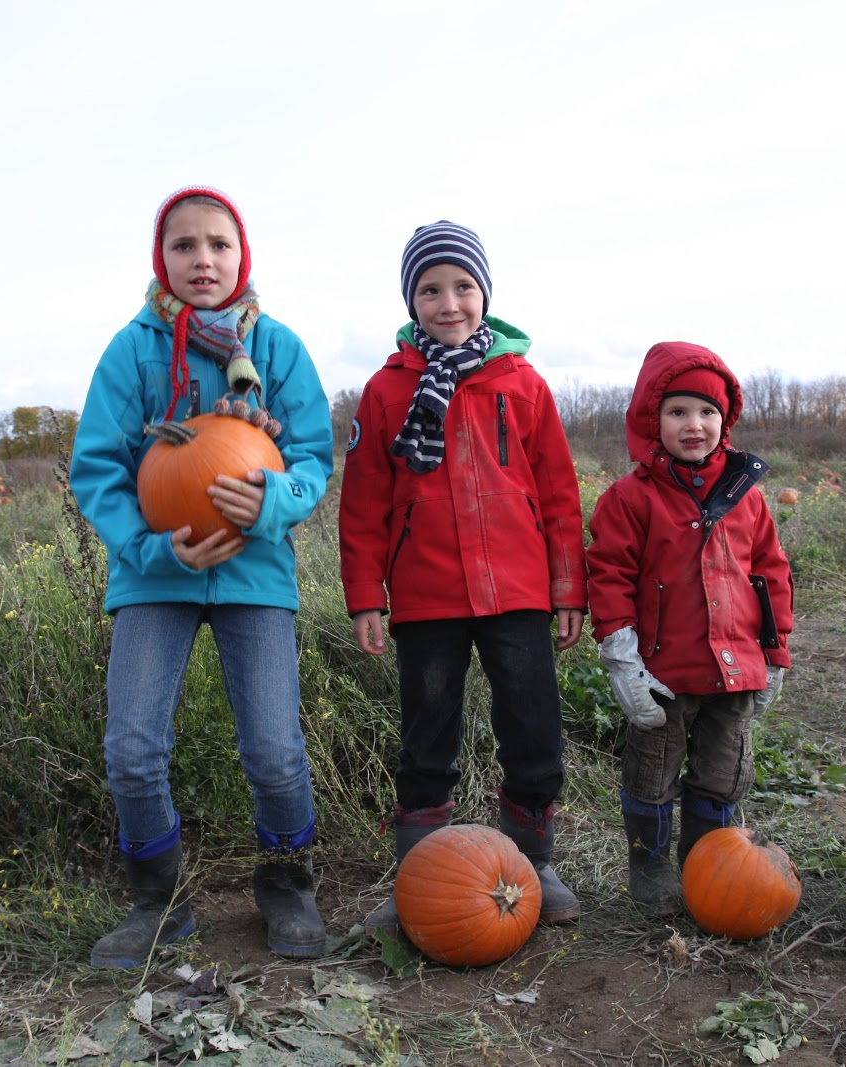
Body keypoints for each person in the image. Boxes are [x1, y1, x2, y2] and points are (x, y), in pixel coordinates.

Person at [69, 185, 334, 968]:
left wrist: (270, 502)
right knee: (132, 746)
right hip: (157, 575)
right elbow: (98, 471)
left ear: (240, 253)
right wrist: (155, 550)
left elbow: (313, 456)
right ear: (163, 260)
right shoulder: (132, 351)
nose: (203, 259)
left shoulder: (277, 347)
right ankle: (159, 899)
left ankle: (288, 881)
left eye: (218, 244)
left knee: (275, 748)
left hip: (256, 575)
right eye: (184, 246)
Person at [338, 220, 588, 933]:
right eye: (430, 290)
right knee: (427, 739)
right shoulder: (387, 391)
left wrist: (568, 588)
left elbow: (560, 494)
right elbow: (363, 508)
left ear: (485, 293)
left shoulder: (523, 382)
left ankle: (530, 862)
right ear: (411, 302)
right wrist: (365, 597)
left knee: (533, 728)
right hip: (426, 596)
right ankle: (421, 877)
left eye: (462, 287)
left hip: (517, 592)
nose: (448, 303)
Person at [585, 341, 793, 915]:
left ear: (725, 422)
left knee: (723, 776)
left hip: (737, 669)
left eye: (707, 412)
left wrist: (775, 652)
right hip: (663, 671)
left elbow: (771, 574)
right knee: (652, 774)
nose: (693, 425)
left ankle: (706, 871)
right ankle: (649, 864)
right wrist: (622, 655)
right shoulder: (629, 499)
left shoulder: (746, 498)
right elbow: (608, 576)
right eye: (677, 412)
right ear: (654, 421)